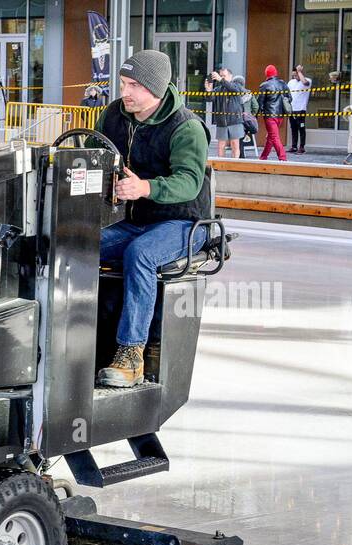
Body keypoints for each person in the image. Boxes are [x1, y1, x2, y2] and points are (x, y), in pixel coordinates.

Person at [93, 49, 211, 389]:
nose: (125, 92)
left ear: (157, 89)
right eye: (123, 83)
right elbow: (92, 150)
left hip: (181, 222)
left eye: (134, 86)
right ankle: (82, 342)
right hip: (133, 219)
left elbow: (189, 182)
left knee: (141, 254)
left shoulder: (186, 127)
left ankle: (131, 355)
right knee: (76, 246)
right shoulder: (114, 115)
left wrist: (145, 187)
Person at [205, 67, 245, 159]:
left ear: (230, 76)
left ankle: (234, 164)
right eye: (220, 75)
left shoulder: (236, 85)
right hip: (221, 121)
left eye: (224, 76)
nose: (221, 78)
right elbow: (209, 99)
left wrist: (220, 79)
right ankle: (221, 165)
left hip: (235, 120)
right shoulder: (218, 89)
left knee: (235, 144)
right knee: (221, 145)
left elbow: (234, 89)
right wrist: (208, 90)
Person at [256, 64, 291, 162]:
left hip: (270, 115)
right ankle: (263, 157)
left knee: (274, 136)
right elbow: (290, 98)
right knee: (271, 136)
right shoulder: (283, 84)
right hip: (280, 115)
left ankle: (282, 158)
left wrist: (257, 114)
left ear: (267, 74)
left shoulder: (264, 85)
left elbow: (260, 102)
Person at [287, 65, 311, 154]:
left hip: (301, 109)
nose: (294, 77)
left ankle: (302, 146)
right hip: (292, 109)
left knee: (301, 128)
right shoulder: (291, 82)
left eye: (296, 75)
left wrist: (299, 71)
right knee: (293, 128)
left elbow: (305, 83)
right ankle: (294, 146)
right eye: (293, 75)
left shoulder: (307, 80)